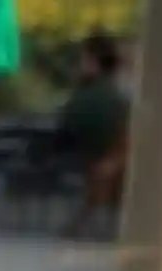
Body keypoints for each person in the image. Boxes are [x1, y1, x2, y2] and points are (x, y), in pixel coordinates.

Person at [56, 32, 130, 238]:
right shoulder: (114, 94)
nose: (80, 64)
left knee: (105, 172)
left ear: (92, 62)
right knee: (109, 171)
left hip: (94, 160)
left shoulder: (91, 96)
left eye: (83, 59)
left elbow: (66, 127)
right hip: (105, 160)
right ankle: (87, 218)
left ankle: (83, 219)